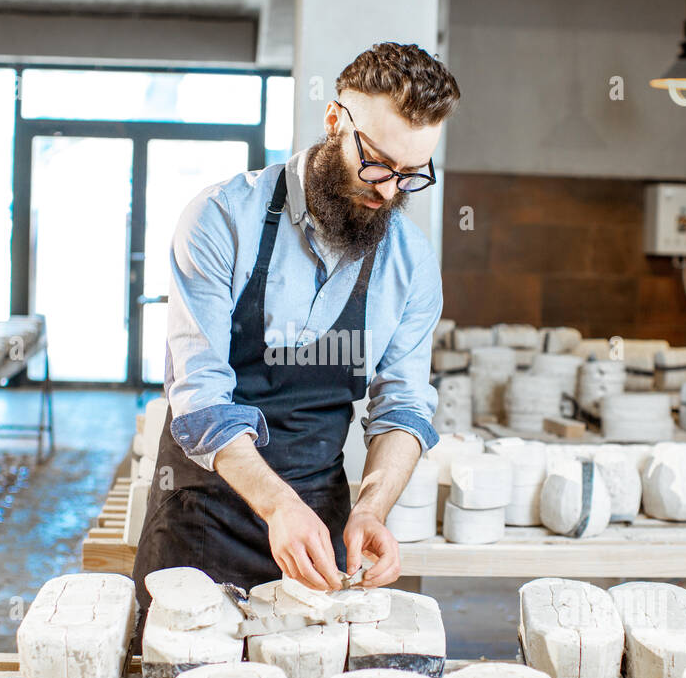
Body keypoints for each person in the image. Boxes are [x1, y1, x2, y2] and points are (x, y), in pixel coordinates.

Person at [134, 42, 460, 609]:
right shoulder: (221, 220)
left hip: (318, 521)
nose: (387, 191)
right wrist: (276, 506)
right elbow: (200, 398)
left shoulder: (410, 264)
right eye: (377, 162)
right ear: (335, 120)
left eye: (410, 175)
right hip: (203, 517)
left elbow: (404, 408)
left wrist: (372, 508)